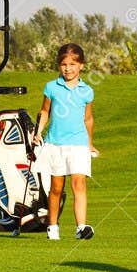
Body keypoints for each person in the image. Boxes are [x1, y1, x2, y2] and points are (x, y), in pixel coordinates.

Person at [33, 43, 96, 241]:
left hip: (78, 144)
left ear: (81, 65)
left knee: (79, 184)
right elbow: (45, 112)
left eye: (72, 64)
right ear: (59, 65)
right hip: (55, 144)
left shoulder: (87, 91)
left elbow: (88, 119)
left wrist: (90, 143)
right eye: (64, 64)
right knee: (56, 188)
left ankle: (81, 227)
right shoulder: (52, 87)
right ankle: (52, 227)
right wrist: (38, 132)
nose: (68, 68)